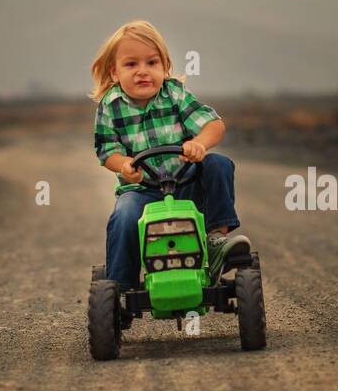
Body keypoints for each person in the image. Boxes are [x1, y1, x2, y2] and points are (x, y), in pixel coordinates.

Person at [91, 18, 250, 290]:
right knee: (125, 213)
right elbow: (107, 151)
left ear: (165, 67)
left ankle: (216, 241)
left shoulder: (174, 93)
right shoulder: (111, 105)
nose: (143, 71)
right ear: (114, 72)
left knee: (218, 164)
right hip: (143, 190)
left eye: (152, 63)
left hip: (186, 183)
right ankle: (120, 285)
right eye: (131, 64)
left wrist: (199, 143)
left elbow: (213, 124)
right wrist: (125, 165)